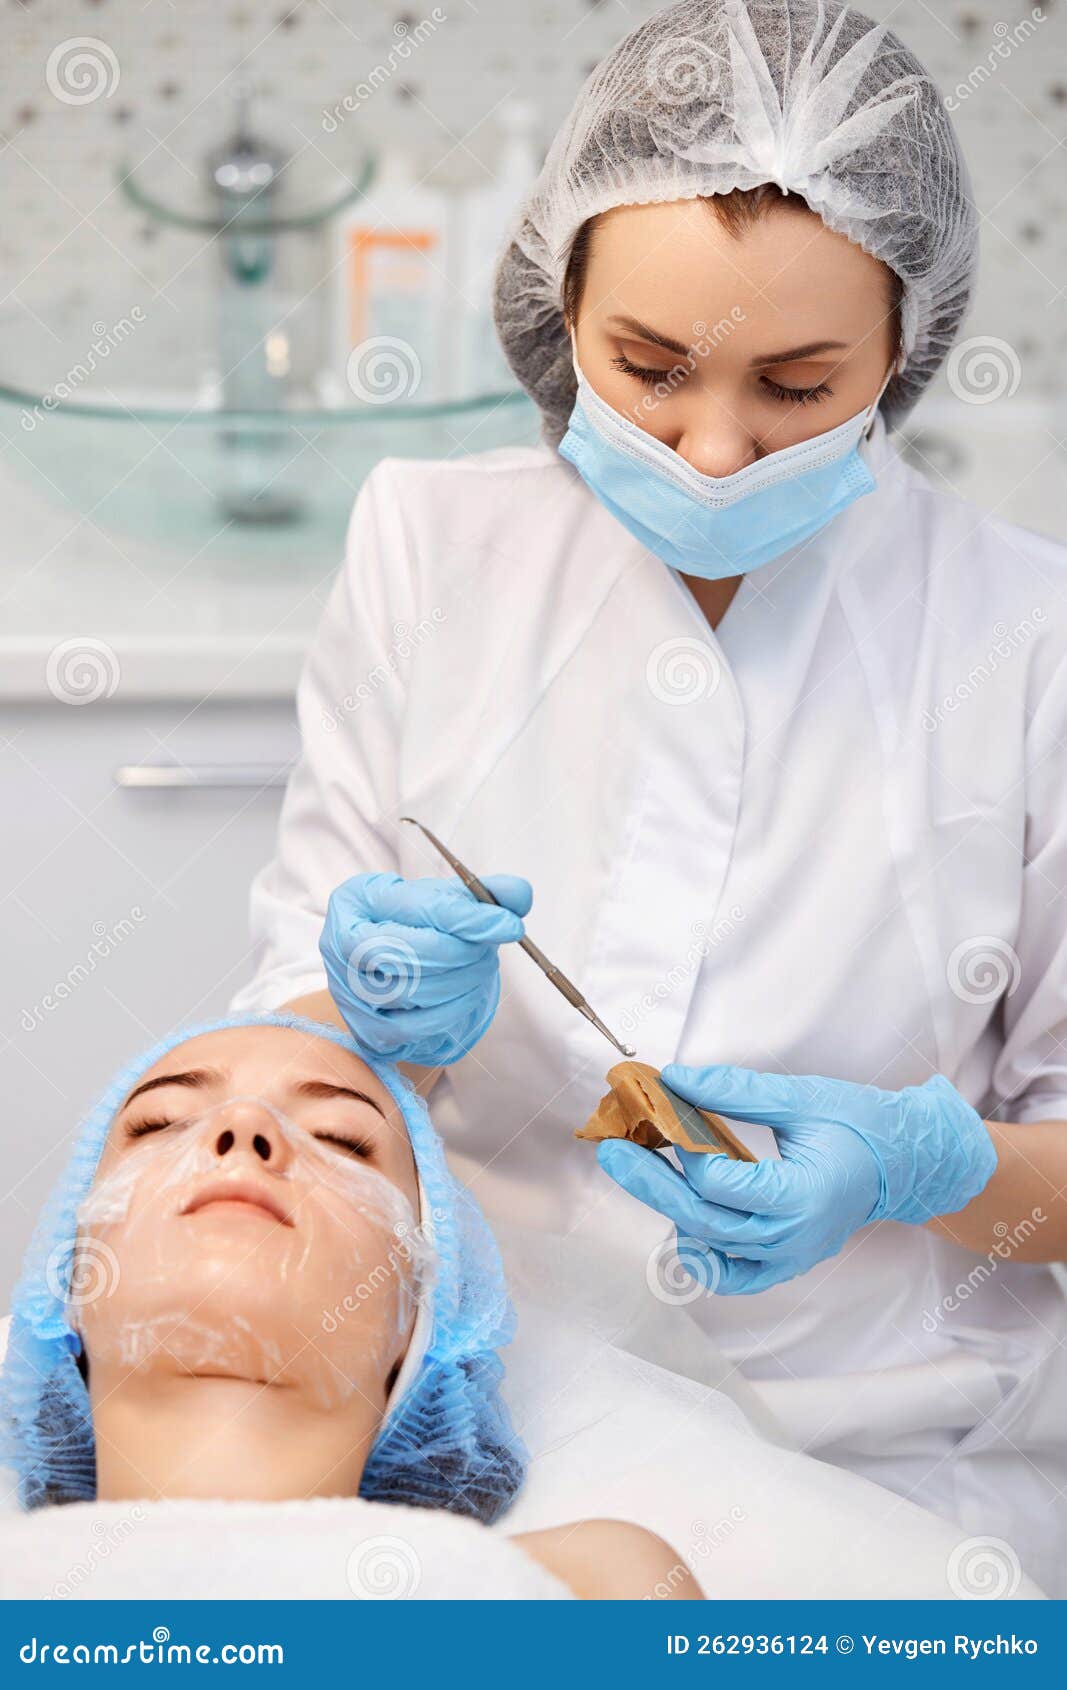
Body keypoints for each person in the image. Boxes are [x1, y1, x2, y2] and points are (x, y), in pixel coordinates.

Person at [230, 0, 1067, 1593]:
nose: (707, 450)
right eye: (648, 367)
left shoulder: (1025, 636)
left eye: (797, 387)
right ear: (559, 303)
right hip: (482, 1423)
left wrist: (939, 1171)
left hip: (903, 1465)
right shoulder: (427, 544)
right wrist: (358, 1012)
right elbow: (281, 1054)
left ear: (909, 343)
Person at [0, 1014, 701, 1600]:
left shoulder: (599, 1589)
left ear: (425, 1319)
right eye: (160, 1123)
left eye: (342, 1140)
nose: (244, 1125)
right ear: (65, 1283)